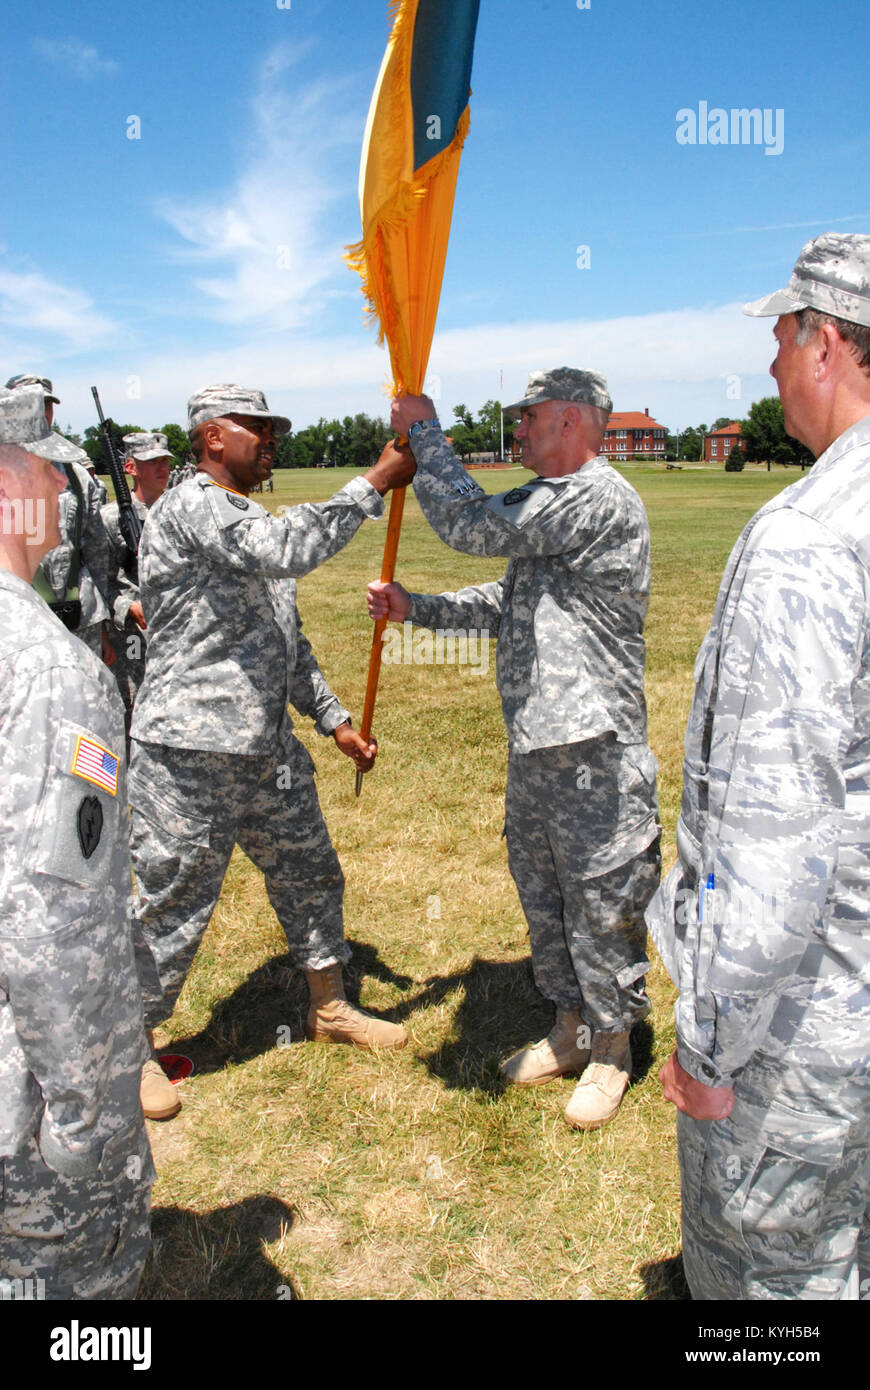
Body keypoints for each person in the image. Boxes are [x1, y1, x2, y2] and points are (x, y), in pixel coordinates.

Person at [647, 231, 870, 1299]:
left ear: (826, 343)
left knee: (774, 1292)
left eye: (784, 338)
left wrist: (709, 1042)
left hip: (803, 1039)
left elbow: (775, 845)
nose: (774, 365)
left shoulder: (808, 539)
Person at [370, 369, 661, 1129]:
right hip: (538, 743)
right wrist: (417, 609)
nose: (518, 431)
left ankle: (611, 1048)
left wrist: (426, 432)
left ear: (571, 419)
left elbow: (471, 526)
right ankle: (568, 1027)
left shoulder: (595, 495)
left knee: (601, 899)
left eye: (527, 417)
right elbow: (506, 601)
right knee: (547, 897)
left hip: (593, 748)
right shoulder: (554, 512)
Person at [129, 384, 417, 1121]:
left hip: (265, 748)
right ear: (213, 436)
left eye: (271, 428)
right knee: (171, 897)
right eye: (257, 428)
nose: (270, 441)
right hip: (191, 748)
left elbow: (283, 640)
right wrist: (373, 482)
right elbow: (290, 548)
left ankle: (328, 1006)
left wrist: (333, 720)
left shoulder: (245, 519)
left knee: (311, 871)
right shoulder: (194, 507)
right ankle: (126, 1047)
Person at [0, 385, 154, 1299]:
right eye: (54, 469)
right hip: (30, 1112)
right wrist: (88, 1104)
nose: (68, 489)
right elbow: (55, 925)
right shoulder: (55, 677)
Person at [5, 374, 111, 659]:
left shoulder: (77, 476)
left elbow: (97, 550)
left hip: (80, 617)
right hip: (14, 623)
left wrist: (105, 624)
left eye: (46, 405)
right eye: (30, 405)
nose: (40, 413)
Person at [102, 431, 171, 742]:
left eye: (165, 461)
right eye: (152, 462)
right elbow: (96, 580)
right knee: (132, 716)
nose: (162, 468)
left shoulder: (177, 514)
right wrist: (126, 606)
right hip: (132, 639)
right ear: (131, 469)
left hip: (174, 633)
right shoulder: (108, 518)